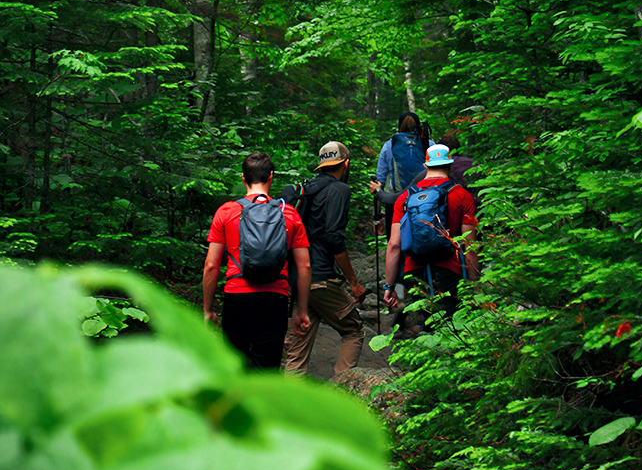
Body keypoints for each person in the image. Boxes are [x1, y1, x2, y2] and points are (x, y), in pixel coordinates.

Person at [202, 151, 311, 369]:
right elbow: (305, 265)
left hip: (237, 297)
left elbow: (211, 266)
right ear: (271, 176)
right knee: (267, 371)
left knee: (235, 368)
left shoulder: (226, 212)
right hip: (275, 299)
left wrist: (208, 309)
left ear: (243, 177)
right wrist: (302, 310)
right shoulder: (288, 214)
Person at [283, 141, 366, 378]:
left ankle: (287, 407)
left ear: (321, 166)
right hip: (319, 278)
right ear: (346, 164)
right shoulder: (339, 190)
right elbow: (334, 238)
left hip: (296, 278)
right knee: (353, 330)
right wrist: (353, 282)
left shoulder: (305, 190)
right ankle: (342, 392)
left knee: (296, 351)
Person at [383, 143, 480, 318]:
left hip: (415, 271)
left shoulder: (406, 197)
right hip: (449, 270)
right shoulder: (463, 196)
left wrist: (389, 286)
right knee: (453, 324)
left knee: (427, 324)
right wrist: (475, 284)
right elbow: (469, 245)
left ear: (425, 165)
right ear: (450, 165)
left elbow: (394, 245)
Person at [371, 112, 433, 229]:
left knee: (395, 242)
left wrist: (377, 216)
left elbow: (379, 182)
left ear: (399, 128)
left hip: (395, 202)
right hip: (425, 202)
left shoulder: (389, 146)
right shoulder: (429, 144)